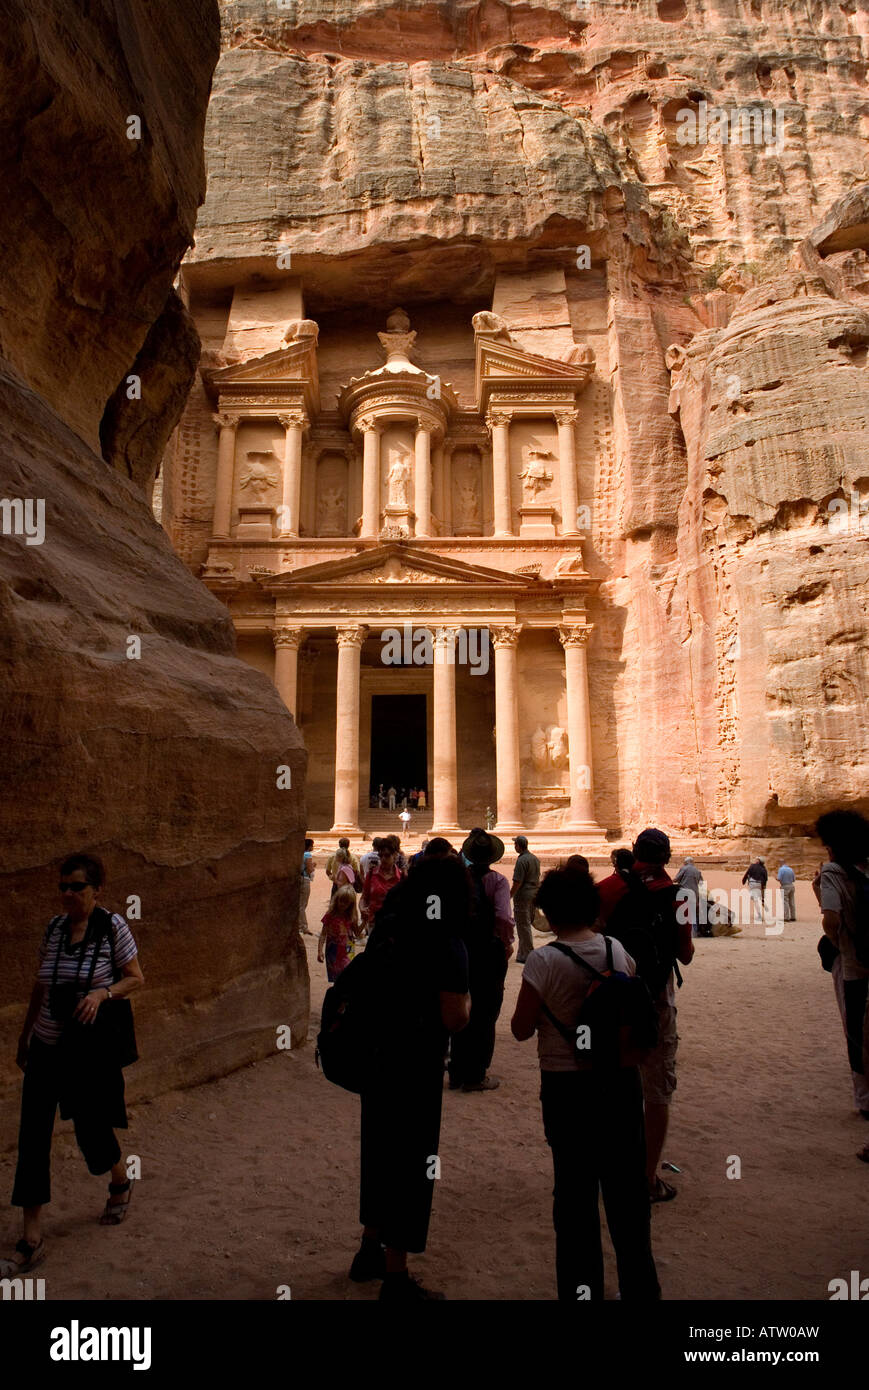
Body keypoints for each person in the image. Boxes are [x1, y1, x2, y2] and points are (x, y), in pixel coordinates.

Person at [511, 867, 660, 1301]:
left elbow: (521, 1029)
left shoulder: (543, 960)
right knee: (627, 1195)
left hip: (566, 1089)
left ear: (547, 913)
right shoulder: (617, 951)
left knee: (575, 1198)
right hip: (619, 1082)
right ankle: (641, 1290)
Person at [1, 854, 145, 1276]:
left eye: (76, 887)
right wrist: (25, 1035)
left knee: (92, 1128)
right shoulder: (53, 928)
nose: (67, 894)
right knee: (32, 1136)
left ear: (96, 889)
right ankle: (32, 1238)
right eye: (63, 886)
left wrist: (103, 994)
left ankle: (119, 1181)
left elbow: (136, 976)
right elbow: (41, 984)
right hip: (47, 1045)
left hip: (86, 1050)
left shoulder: (112, 927)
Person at [350, 856, 471, 1300]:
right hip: (417, 1066)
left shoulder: (390, 923)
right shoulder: (447, 939)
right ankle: (395, 1276)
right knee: (413, 1164)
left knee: (379, 1152)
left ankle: (367, 1250)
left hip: (377, 1057)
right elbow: (455, 1017)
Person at [598, 828, 694, 1203]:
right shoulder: (681, 896)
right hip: (655, 998)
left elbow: (596, 937)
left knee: (612, 1079)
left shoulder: (607, 888)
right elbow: (684, 954)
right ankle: (647, 1178)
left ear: (633, 852)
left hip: (613, 997)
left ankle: (610, 1168)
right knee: (657, 1090)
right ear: (667, 858)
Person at [813, 811, 869, 1145]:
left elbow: (831, 919)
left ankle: (864, 1099)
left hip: (853, 965)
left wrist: (838, 944)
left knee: (856, 1030)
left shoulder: (833, 871)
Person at [448, 829, 514, 1092]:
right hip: (487, 952)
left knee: (460, 1005)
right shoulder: (497, 881)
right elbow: (503, 918)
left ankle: (455, 1071)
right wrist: (506, 943)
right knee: (485, 1012)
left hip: (462, 950)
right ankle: (475, 1075)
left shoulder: (458, 879)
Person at [318, 886, 360, 982]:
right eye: (341, 901)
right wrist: (320, 951)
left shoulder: (351, 916)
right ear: (337, 899)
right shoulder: (330, 915)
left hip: (348, 950)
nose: (342, 904)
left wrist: (365, 921)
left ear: (351, 904)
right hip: (333, 950)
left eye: (346, 902)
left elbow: (357, 933)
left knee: (347, 976)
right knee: (336, 978)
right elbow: (323, 934)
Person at [361, 842, 403, 933]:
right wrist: (362, 908)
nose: (383, 859)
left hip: (395, 925)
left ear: (395, 855)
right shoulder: (372, 874)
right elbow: (364, 898)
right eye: (381, 855)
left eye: (387, 855)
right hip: (375, 923)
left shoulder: (402, 877)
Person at [512, 835, 541, 964]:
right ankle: (523, 953)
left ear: (518, 845)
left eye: (515, 844)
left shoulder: (521, 860)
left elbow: (518, 881)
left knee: (523, 925)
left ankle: (527, 953)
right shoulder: (534, 858)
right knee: (527, 923)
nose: (514, 847)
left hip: (523, 895)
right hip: (533, 892)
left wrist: (510, 894)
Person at [674, 857, 704, 937]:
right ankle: (694, 932)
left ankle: (682, 933)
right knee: (693, 913)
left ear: (686, 862)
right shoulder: (698, 871)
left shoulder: (684, 869)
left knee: (682, 913)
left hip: (683, 893)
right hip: (694, 894)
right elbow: (701, 883)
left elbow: (676, 879)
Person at [742, 855, 768, 925]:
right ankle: (763, 901)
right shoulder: (763, 868)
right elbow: (766, 878)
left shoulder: (752, 866)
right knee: (760, 895)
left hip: (752, 883)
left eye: (756, 859)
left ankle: (759, 915)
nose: (755, 860)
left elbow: (747, 873)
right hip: (760, 884)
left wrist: (743, 881)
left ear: (758, 861)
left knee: (755, 900)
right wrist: (764, 887)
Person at [299, 838, 315, 935]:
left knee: (300, 904)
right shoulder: (307, 854)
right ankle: (303, 926)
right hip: (305, 879)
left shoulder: (300, 853)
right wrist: (313, 866)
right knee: (303, 904)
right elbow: (309, 869)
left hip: (300, 878)